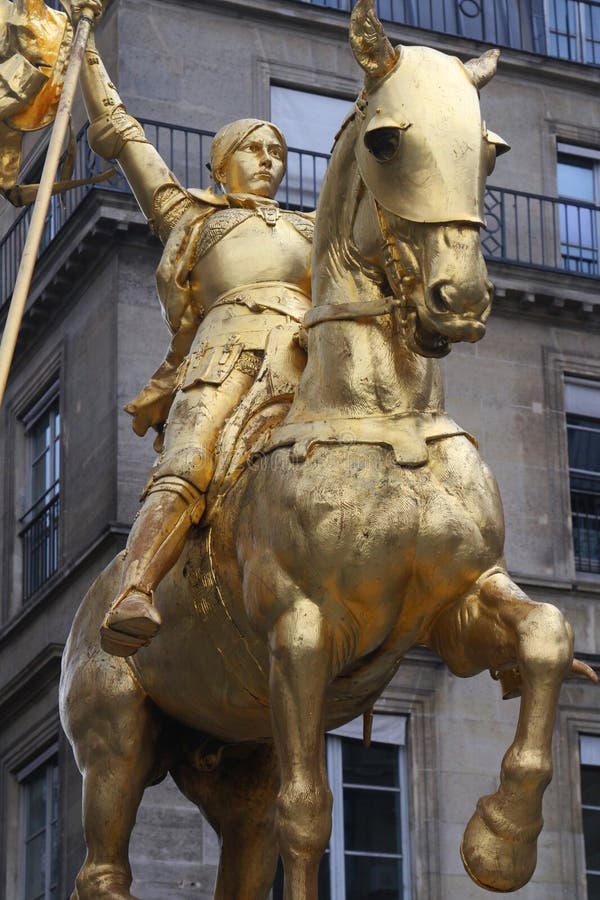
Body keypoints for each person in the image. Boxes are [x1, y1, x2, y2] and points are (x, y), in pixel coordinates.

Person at [74, 4, 313, 657]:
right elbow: (122, 133)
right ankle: (136, 589)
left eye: (276, 151)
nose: (268, 161)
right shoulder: (192, 219)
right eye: (252, 150)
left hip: (306, 357)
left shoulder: (309, 230)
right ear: (221, 165)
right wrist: (82, 43)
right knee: (186, 461)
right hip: (224, 355)